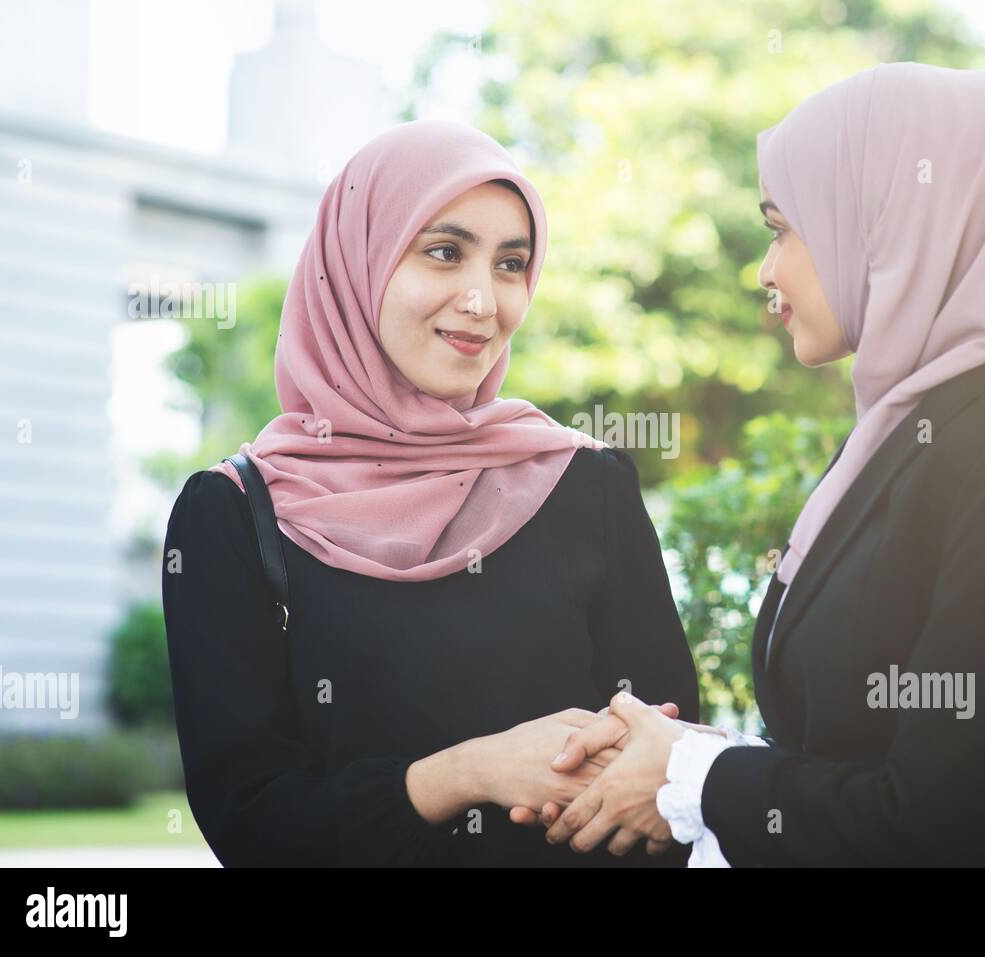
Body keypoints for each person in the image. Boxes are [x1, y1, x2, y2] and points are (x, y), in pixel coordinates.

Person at [535, 62, 985, 867]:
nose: (767, 272)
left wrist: (695, 775)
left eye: (782, 228)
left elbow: (933, 822)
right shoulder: (907, 436)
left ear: (892, 221)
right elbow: (857, 752)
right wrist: (683, 756)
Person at [161, 120, 698, 866]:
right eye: (443, 252)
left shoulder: (587, 484)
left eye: (511, 264)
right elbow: (251, 821)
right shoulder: (232, 513)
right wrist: (467, 773)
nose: (483, 300)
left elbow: (667, 779)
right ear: (356, 265)